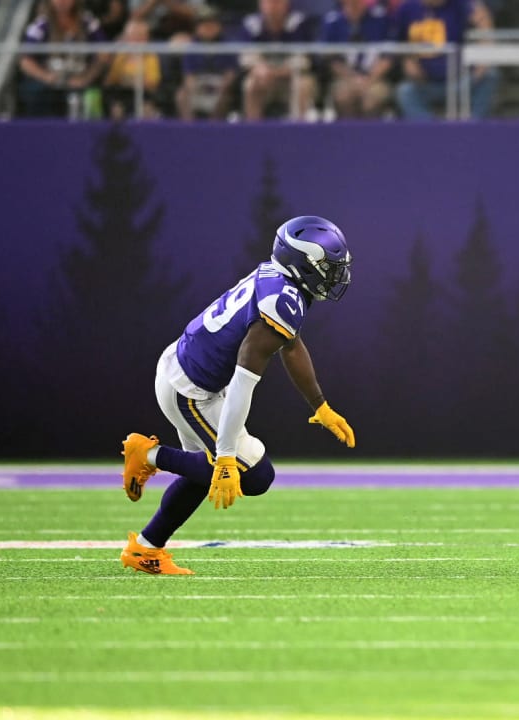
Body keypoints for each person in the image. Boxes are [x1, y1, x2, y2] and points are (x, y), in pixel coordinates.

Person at [119, 216, 357, 575]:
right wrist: (227, 458)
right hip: (191, 392)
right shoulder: (283, 299)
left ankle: (146, 549)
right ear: (301, 262)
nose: (333, 274)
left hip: (182, 369)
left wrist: (319, 406)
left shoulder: (280, 283)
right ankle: (148, 454)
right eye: (326, 266)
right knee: (256, 475)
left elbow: (291, 347)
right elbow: (243, 383)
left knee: (203, 473)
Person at [394, 0, 499, 120]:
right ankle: (430, 133)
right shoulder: (408, 8)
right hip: (426, 83)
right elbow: (398, 43)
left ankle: (472, 129)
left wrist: (483, 58)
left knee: (490, 75)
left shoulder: (461, 4)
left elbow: (483, 23)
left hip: (461, 80)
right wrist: (408, 60)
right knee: (405, 91)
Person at [17, 0, 109, 119]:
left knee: (95, 95)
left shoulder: (87, 21)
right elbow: (25, 60)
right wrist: (47, 77)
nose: (62, 2)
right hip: (50, 81)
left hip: (80, 77)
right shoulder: (42, 23)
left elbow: (105, 53)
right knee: (35, 93)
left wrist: (86, 78)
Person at [239, 0, 316, 121]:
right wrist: (259, 68)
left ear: (286, 4)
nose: (273, 6)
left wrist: (276, 72)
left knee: (303, 85)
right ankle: (253, 132)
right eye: (269, 2)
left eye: (277, 2)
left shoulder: (298, 22)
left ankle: (298, 133)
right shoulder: (252, 23)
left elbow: (304, 59)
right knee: (250, 84)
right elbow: (246, 58)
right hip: (264, 80)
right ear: (261, 4)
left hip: (291, 78)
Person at [318, 0, 395, 119]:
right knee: (344, 96)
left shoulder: (381, 18)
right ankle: (346, 135)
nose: (354, 3)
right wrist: (351, 79)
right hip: (344, 78)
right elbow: (330, 59)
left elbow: (388, 57)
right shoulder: (332, 21)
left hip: (375, 78)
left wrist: (369, 79)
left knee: (372, 98)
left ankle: (372, 135)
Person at [176, 5, 239, 121]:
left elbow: (231, 72)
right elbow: (188, 75)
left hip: (219, 85)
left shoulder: (227, 45)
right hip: (198, 85)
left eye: (212, 24)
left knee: (224, 97)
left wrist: (222, 86)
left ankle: (212, 129)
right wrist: (194, 88)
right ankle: (189, 129)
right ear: (197, 28)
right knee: (182, 95)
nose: (209, 28)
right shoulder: (192, 47)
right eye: (204, 24)